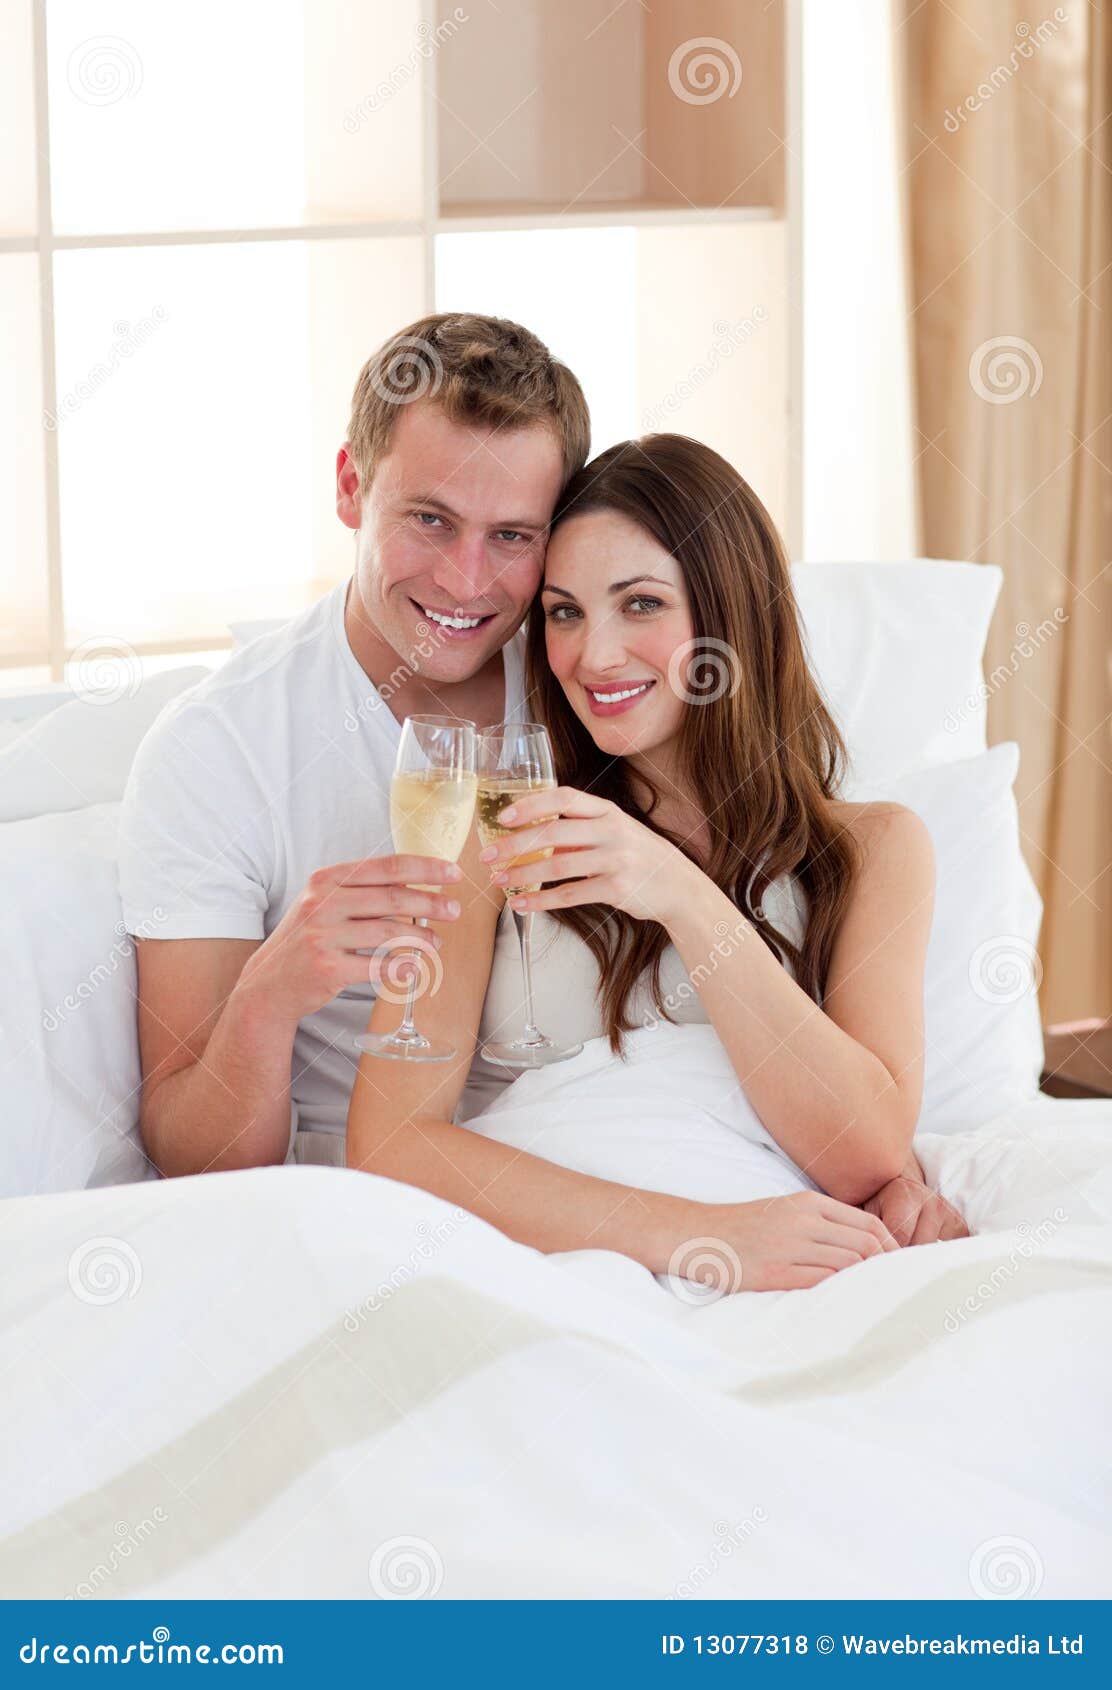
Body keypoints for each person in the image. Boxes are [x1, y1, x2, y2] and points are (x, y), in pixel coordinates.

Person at [347, 434, 969, 1289]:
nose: (593, 656)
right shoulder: (494, 832)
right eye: (564, 612)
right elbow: (388, 1145)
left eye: (639, 604)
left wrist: (680, 893)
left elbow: (864, 1152)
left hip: (781, 1282)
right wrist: (708, 1241)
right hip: (554, 1270)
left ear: (729, 611)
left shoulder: (874, 849)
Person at [118, 312, 589, 1176]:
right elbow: (194, 1158)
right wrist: (269, 993)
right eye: (430, 520)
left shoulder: (595, 684)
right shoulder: (217, 750)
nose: (466, 580)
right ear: (350, 486)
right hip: (370, 1192)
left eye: (512, 536)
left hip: (602, 1153)